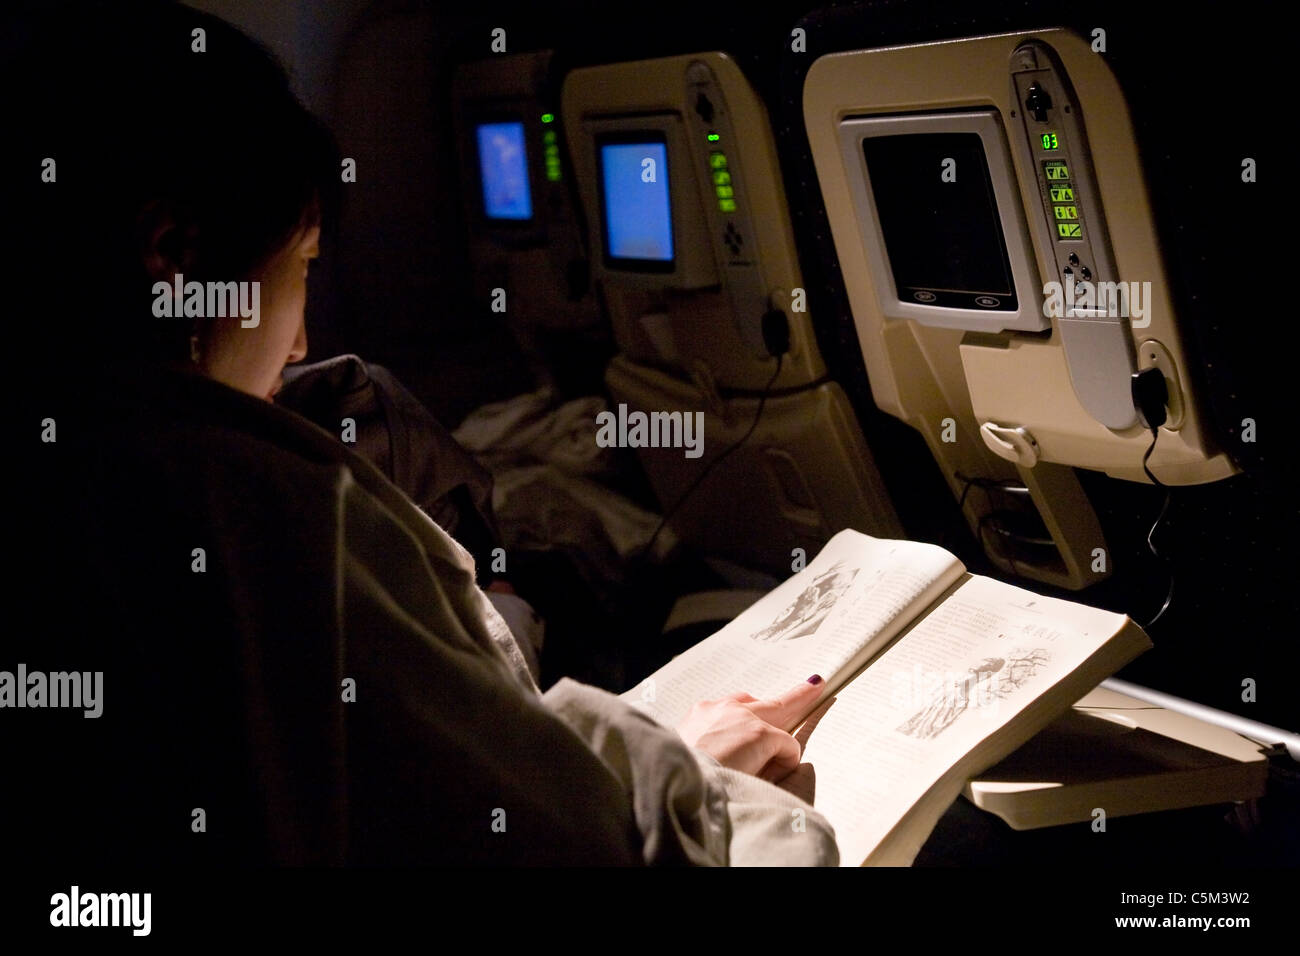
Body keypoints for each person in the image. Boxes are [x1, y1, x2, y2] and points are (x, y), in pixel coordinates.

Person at [4, 1, 837, 865]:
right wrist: (692, 788)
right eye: (300, 266)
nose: (297, 344)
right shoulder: (259, 512)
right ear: (174, 260)